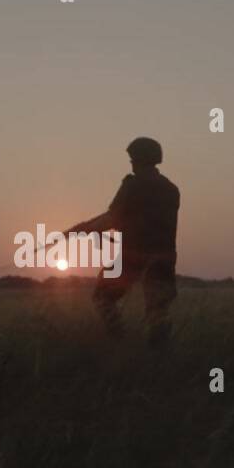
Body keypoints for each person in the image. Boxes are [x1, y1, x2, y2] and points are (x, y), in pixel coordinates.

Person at [70, 137, 180, 347]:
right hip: (165, 257)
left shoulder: (133, 185)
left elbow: (114, 217)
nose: (131, 163)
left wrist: (86, 229)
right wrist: (89, 226)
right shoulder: (171, 189)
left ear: (138, 159)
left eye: (132, 159)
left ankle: (118, 342)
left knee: (103, 298)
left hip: (133, 256)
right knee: (158, 311)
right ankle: (160, 357)